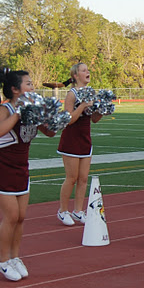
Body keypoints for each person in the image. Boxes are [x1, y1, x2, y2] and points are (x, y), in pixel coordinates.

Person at [0, 68, 56, 281]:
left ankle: (14, 257)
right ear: (14, 89)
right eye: (28, 84)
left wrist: (51, 117)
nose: (33, 87)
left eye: (32, 84)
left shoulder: (32, 108)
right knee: (11, 216)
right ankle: (3, 260)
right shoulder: (4, 109)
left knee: (21, 217)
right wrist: (19, 112)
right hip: (0, 168)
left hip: (21, 167)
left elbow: (50, 133)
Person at [56, 63, 103, 226]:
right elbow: (69, 120)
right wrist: (82, 105)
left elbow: (95, 119)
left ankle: (78, 211)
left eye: (88, 70)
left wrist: (102, 109)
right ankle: (62, 211)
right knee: (71, 178)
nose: (87, 72)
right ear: (76, 76)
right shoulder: (72, 94)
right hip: (71, 139)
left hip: (85, 139)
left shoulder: (91, 93)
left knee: (83, 179)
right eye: (84, 70)